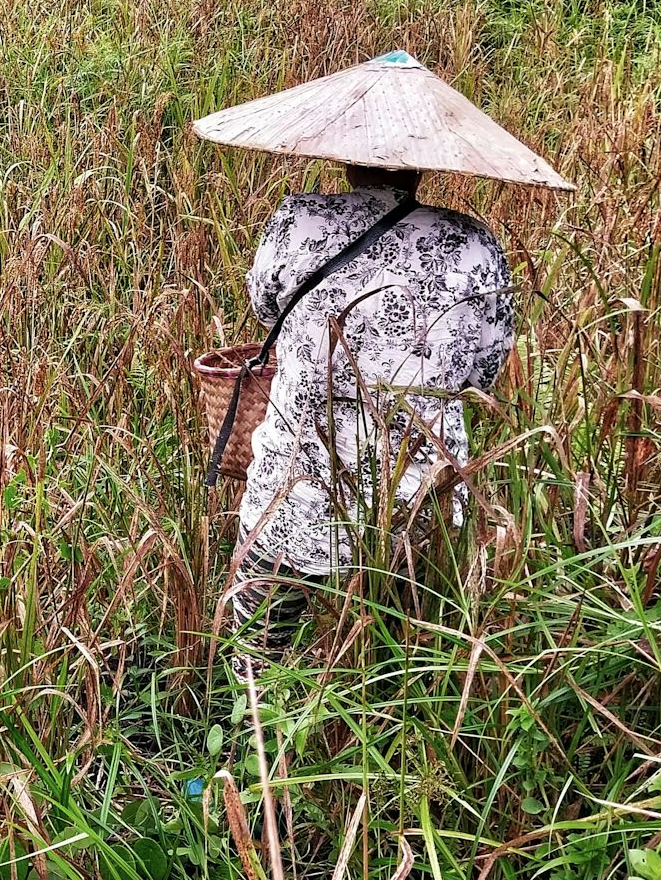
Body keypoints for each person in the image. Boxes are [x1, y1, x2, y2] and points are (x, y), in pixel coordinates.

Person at [191, 51, 573, 646]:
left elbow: (267, 310)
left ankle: (258, 722)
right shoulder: (472, 244)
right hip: (417, 497)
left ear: (342, 154)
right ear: (426, 163)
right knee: (406, 645)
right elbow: (484, 370)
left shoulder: (299, 221)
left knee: (262, 633)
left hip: (297, 482)